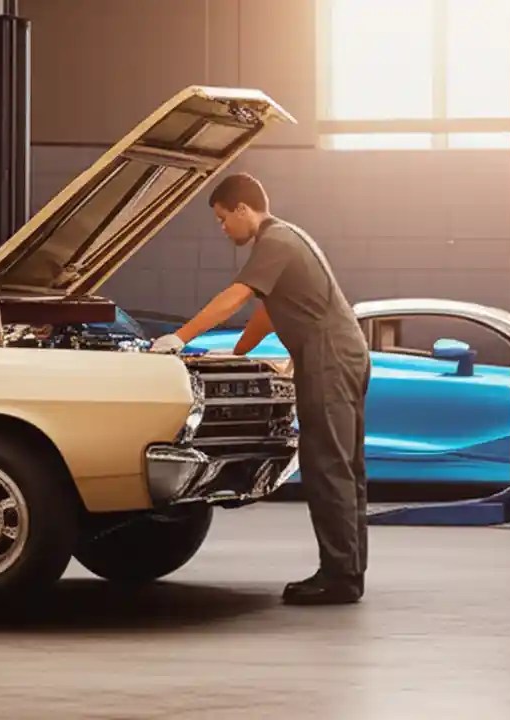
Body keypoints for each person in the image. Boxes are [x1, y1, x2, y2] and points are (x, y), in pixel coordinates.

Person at [149, 173, 371, 606]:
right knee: (345, 466)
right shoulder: (287, 240)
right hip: (341, 354)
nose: (222, 229)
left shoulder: (276, 241)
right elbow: (267, 313)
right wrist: (236, 353)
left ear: (242, 209)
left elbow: (235, 298)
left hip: (328, 358)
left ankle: (339, 576)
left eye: (221, 219)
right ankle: (348, 570)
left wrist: (180, 337)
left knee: (327, 465)